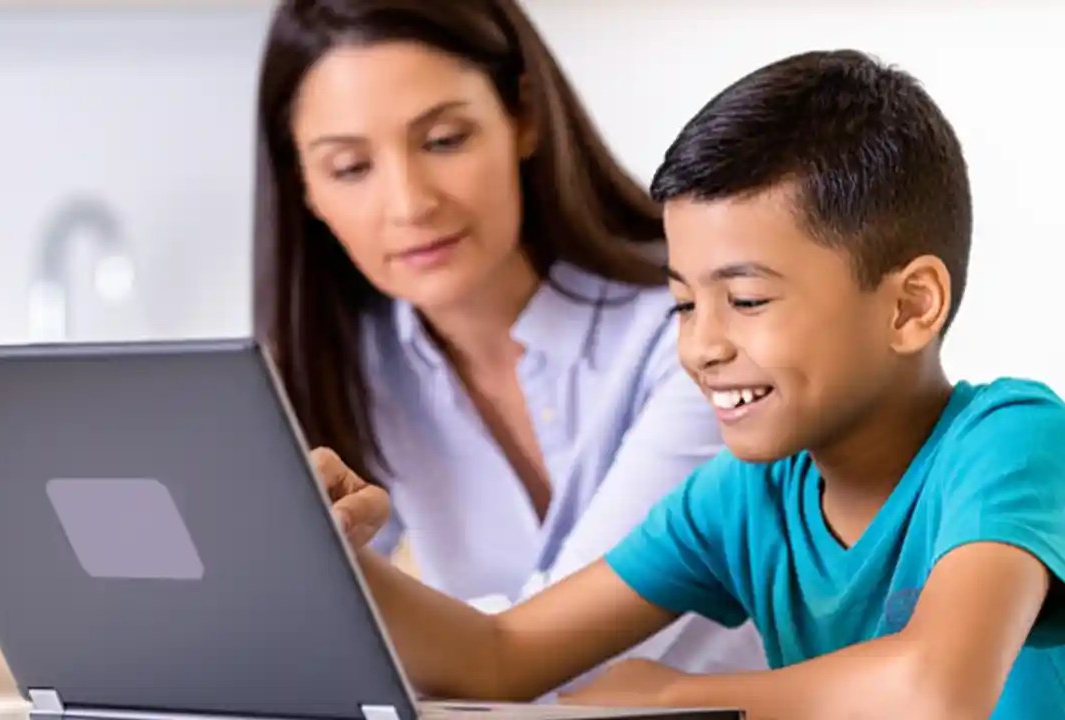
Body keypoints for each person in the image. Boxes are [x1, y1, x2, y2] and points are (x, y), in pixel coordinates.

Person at [309, 48, 1065, 720]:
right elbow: (500, 655)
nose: (701, 346)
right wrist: (326, 549)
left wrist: (674, 698)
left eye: (746, 300)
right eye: (683, 302)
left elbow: (937, 690)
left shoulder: (1011, 440)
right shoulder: (744, 496)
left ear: (910, 306)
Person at [251, 0, 765, 676]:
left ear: (522, 115)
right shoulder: (351, 365)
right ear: (305, 187)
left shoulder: (696, 327)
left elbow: (553, 660)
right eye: (350, 167)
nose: (409, 204)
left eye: (443, 141)